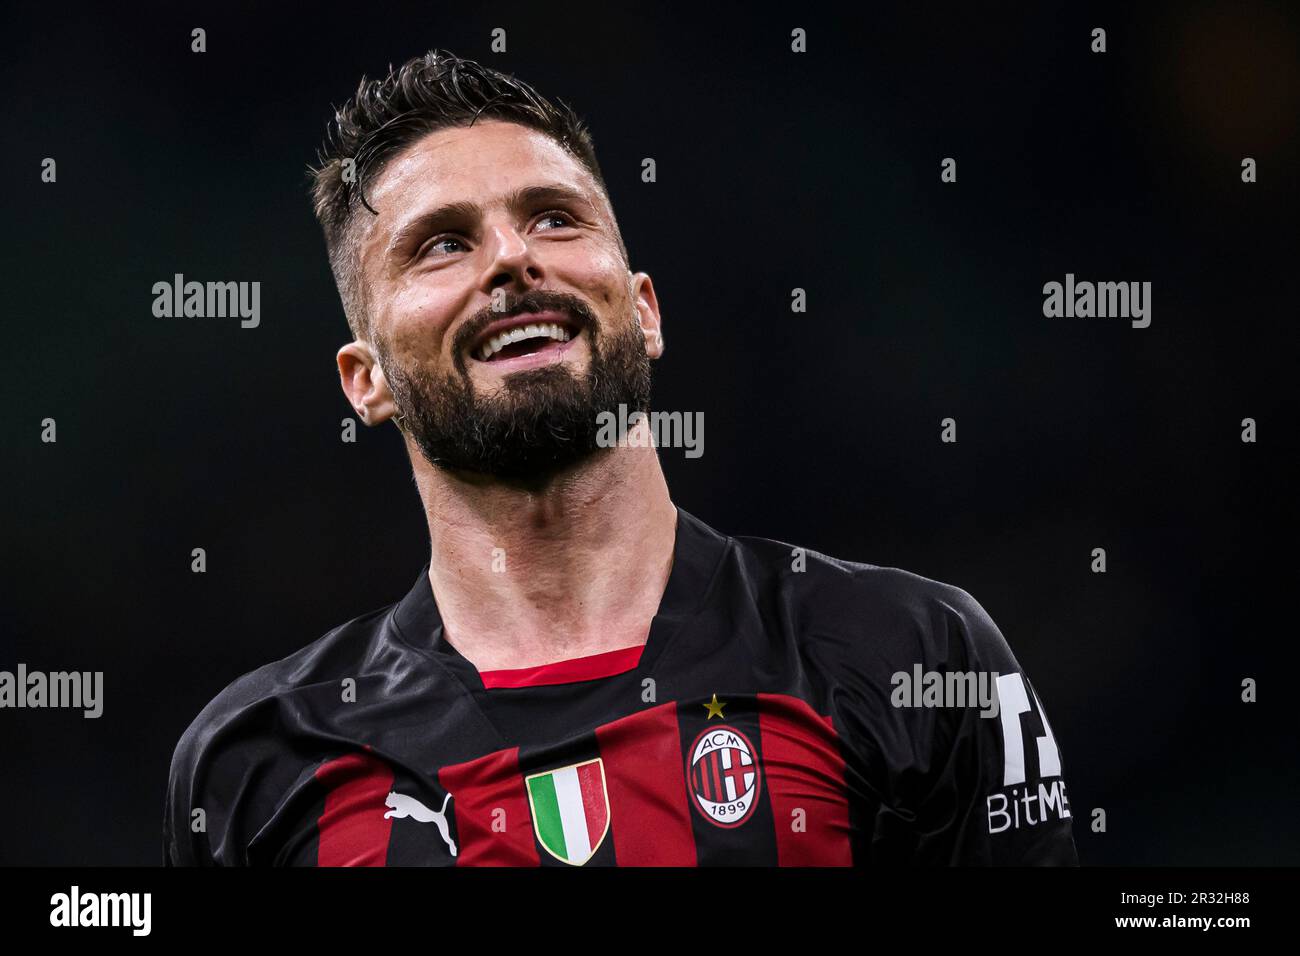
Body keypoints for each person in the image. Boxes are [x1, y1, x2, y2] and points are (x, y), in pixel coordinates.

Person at [165, 50, 1078, 866]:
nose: (514, 257)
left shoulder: (903, 652)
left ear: (643, 310)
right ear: (366, 381)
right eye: (443, 243)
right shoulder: (260, 755)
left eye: (555, 218)